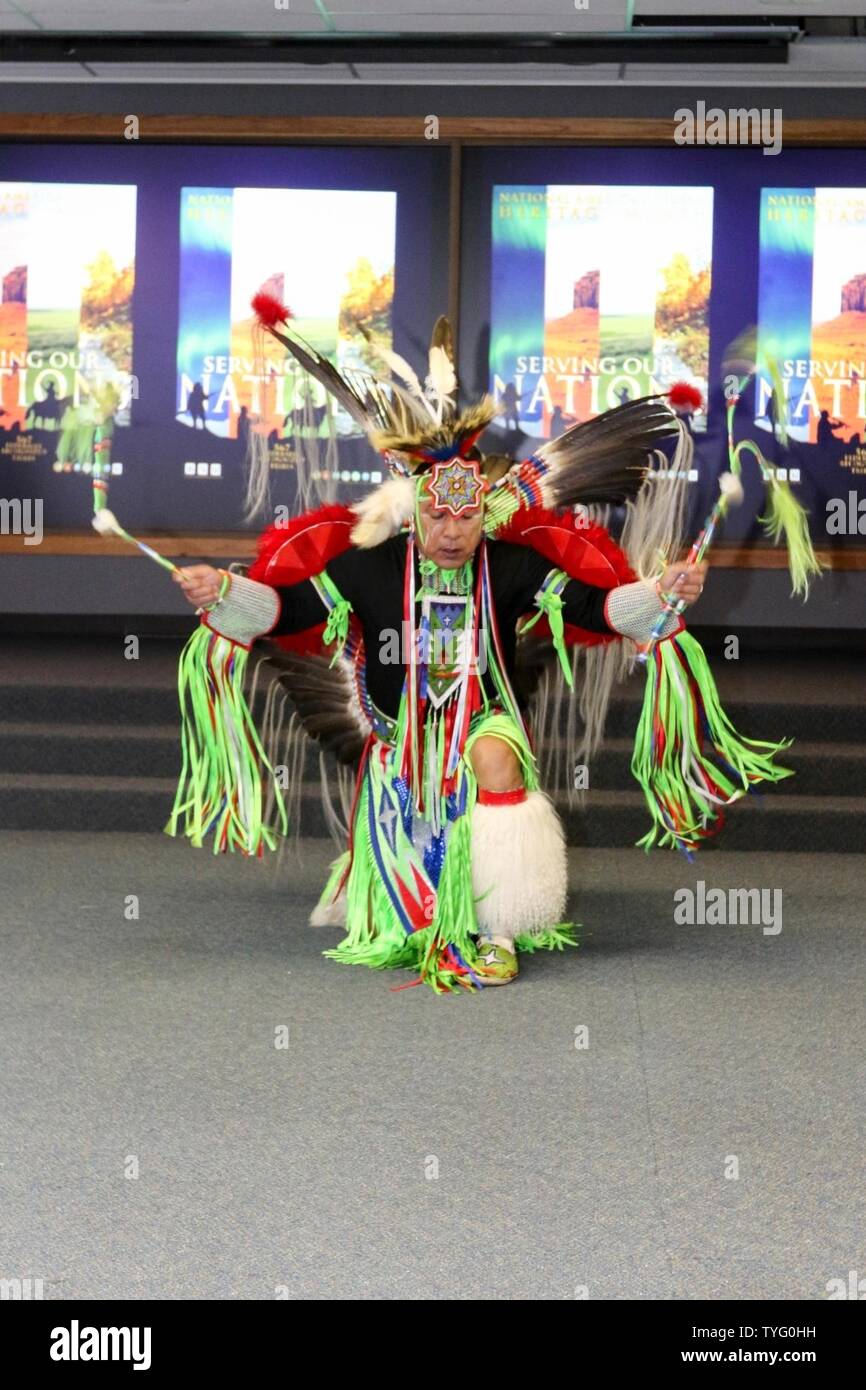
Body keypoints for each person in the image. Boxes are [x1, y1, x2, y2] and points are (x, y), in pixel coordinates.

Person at [163, 304, 788, 995]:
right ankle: (393, 888)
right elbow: (285, 611)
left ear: (484, 512)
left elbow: (595, 607)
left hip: (483, 719)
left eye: (466, 517)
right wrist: (222, 591)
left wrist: (661, 595)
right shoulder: (370, 565)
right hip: (399, 742)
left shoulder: (511, 565)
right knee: (405, 929)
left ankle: (499, 929)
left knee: (493, 757)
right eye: (437, 515)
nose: (453, 532)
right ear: (413, 510)